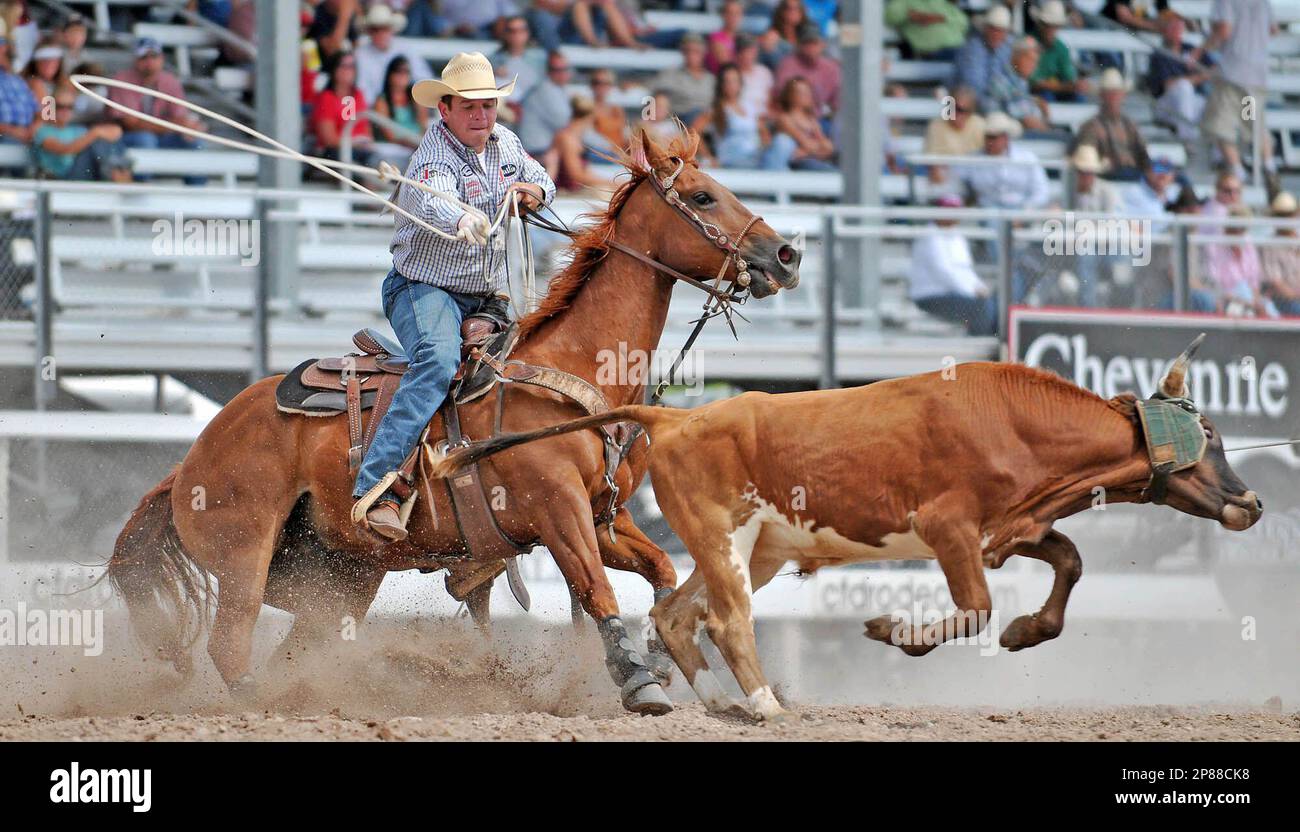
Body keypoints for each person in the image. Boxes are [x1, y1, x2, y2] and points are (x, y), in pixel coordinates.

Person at [354, 52, 556, 541]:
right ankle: (378, 486)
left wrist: (531, 191)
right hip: (423, 288)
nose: (480, 116)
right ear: (443, 109)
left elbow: (546, 181)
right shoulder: (431, 157)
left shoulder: (505, 142)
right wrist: (462, 218)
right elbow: (434, 198)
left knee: (535, 362)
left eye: (487, 105)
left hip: (484, 295)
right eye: (469, 106)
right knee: (438, 361)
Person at [1199, 0, 1277, 190]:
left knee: (1219, 123)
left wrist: (1201, 49)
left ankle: (1237, 170)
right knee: (1251, 122)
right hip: (1256, 76)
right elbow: (1273, 30)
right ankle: (1269, 167)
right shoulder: (1263, 3)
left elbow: (1224, 30)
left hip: (1232, 75)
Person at [109, 37, 206, 184]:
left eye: (154, 56)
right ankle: (142, 191)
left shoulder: (170, 81)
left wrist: (190, 127)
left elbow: (181, 117)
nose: (150, 62)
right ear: (135, 60)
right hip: (122, 139)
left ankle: (198, 195)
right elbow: (132, 124)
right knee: (145, 139)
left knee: (194, 141)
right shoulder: (121, 80)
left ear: (161, 58)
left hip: (160, 138)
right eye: (144, 57)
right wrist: (178, 124)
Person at [910, 193, 996, 335]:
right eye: (948, 210)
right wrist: (973, 291)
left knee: (991, 304)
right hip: (930, 296)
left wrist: (979, 287)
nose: (952, 215)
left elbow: (966, 270)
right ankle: (981, 344)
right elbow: (944, 273)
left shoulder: (956, 236)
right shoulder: (930, 236)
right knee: (981, 307)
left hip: (954, 293)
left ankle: (992, 342)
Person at [33, 85, 131, 181]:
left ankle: (119, 172)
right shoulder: (43, 131)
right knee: (96, 141)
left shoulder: (77, 129)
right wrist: (95, 133)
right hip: (63, 177)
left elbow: (116, 131)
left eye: (69, 107)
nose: (65, 111)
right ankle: (119, 175)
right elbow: (65, 150)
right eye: (60, 107)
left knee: (103, 141)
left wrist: (101, 132)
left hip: (86, 172)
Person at [1146, 10, 1214, 143]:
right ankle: (1187, 140)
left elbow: (1215, 69)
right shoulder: (1159, 54)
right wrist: (1198, 78)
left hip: (1190, 103)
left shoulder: (1189, 49)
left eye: (1179, 27)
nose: (1177, 31)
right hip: (1166, 105)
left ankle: (1220, 158)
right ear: (1165, 31)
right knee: (1183, 88)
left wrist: (1194, 78)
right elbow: (1169, 85)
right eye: (1173, 27)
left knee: (1217, 103)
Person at [960, 111, 1050, 211]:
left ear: (1005, 138)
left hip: (1021, 208)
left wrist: (1025, 211)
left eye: (994, 137)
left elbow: (1041, 191)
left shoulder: (1026, 158)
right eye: (988, 136)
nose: (990, 142)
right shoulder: (973, 160)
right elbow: (959, 185)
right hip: (985, 210)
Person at [1072, 68, 1149, 182]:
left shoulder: (1130, 124)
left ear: (1123, 96)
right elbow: (1086, 159)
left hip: (1134, 173)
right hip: (1108, 176)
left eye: (1117, 93)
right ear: (1102, 96)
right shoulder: (1091, 126)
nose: (1114, 97)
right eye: (1110, 93)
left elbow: (1143, 154)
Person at [354, 3, 432, 104]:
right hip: (374, 111)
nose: (380, 33)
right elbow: (362, 90)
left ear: (391, 29)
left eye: (384, 28)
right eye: (375, 29)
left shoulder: (406, 48)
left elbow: (423, 80)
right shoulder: (360, 55)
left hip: (405, 106)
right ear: (369, 31)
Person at [694, 63, 766, 168]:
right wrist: (708, 157)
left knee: (782, 142)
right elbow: (693, 132)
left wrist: (764, 147)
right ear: (721, 85)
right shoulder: (717, 109)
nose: (731, 85)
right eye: (727, 82)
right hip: (732, 160)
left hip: (755, 157)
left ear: (740, 84)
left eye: (735, 81)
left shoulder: (749, 107)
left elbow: (764, 133)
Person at [310, 50, 375, 167]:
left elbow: (366, 129)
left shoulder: (358, 94)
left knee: (379, 161)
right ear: (334, 69)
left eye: (351, 67)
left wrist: (364, 142)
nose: (348, 71)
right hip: (335, 152)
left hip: (360, 150)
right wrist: (354, 143)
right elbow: (329, 139)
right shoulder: (326, 97)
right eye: (343, 66)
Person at [762, 76, 834, 170]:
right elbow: (806, 143)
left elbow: (829, 147)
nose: (807, 95)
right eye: (801, 92)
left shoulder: (811, 120)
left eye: (808, 92)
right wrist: (818, 148)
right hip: (793, 165)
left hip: (810, 159)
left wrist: (805, 152)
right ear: (790, 95)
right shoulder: (784, 118)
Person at [951, 4, 1012, 114]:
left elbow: (1012, 80)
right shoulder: (973, 48)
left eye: (1000, 31)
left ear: (1005, 33)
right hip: (964, 103)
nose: (996, 34)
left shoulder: (1006, 47)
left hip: (990, 101)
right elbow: (974, 86)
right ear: (985, 28)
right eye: (993, 29)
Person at [773, 22, 840, 120]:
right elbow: (781, 100)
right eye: (807, 43)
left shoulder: (832, 68)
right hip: (793, 119)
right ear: (799, 45)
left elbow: (838, 103)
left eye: (814, 43)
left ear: (823, 44)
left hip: (822, 119)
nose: (811, 48)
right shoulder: (787, 65)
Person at [548, 94, 613, 191]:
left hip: (571, 190)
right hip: (567, 194)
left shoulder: (569, 136)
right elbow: (576, 175)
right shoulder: (568, 139)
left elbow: (582, 172)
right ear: (590, 117)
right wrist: (611, 183)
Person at [923, 85, 984, 185]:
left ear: (970, 111)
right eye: (952, 107)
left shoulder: (980, 125)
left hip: (973, 178)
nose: (956, 113)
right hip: (944, 179)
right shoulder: (937, 125)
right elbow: (932, 163)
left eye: (961, 110)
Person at [988, 36, 1050, 134]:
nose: (1033, 66)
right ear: (1016, 56)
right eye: (1030, 60)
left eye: (1035, 62)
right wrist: (1049, 132)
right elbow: (1027, 120)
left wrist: (1035, 101)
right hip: (998, 132)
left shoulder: (1021, 80)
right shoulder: (1001, 80)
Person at [649, 33, 713, 124]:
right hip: (681, 120)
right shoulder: (671, 74)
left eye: (696, 51)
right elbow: (653, 88)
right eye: (688, 51)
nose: (691, 55)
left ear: (703, 53)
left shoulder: (711, 79)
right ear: (683, 52)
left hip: (708, 123)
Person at [517, 50, 571, 157]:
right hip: (537, 152)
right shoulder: (545, 90)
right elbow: (564, 123)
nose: (562, 73)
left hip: (545, 150)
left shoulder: (557, 89)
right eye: (556, 70)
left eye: (565, 69)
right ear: (547, 71)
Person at [1029, 1, 1085, 102]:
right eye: (1048, 25)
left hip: (1052, 91)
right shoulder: (1029, 43)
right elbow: (1033, 82)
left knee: (1079, 97)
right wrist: (1066, 86)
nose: (1051, 29)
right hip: (1034, 93)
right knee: (1046, 96)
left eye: (1054, 26)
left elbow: (1068, 77)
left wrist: (1072, 85)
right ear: (1040, 24)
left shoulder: (1061, 48)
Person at [884, 0, 968, 61]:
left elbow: (963, 22)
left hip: (958, 49)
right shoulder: (904, 2)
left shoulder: (941, 2)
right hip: (932, 53)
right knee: (970, 57)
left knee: (972, 53)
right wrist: (919, 17)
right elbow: (890, 17)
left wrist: (936, 18)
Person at [373, 56, 428, 148]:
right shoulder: (382, 101)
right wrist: (411, 143)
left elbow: (423, 125)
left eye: (406, 71)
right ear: (390, 75)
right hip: (394, 148)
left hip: (418, 145)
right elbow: (389, 135)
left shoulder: (416, 98)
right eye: (399, 71)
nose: (403, 75)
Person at [1260, 192, 1300, 316]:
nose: (1286, 219)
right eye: (1282, 215)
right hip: (1284, 301)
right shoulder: (1270, 246)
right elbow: (1276, 282)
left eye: (1289, 214)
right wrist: (1296, 295)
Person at [491, 15, 543, 104]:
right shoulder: (494, 59)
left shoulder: (540, 58)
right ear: (506, 34)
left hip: (534, 105)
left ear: (527, 33)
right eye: (512, 31)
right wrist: (494, 74)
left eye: (521, 30)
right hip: (506, 106)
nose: (517, 35)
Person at [758, 0, 807, 70]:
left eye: (798, 8)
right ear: (782, 11)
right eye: (790, 9)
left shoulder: (805, 34)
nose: (795, 12)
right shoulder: (772, 36)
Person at [734, 33, 772, 120]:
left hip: (764, 118)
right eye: (745, 50)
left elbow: (769, 101)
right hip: (742, 117)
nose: (749, 54)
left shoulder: (765, 72)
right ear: (738, 53)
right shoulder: (732, 74)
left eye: (752, 50)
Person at [589, 68, 627, 154]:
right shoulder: (587, 109)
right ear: (591, 85)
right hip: (600, 155)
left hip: (619, 155)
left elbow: (623, 135)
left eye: (606, 83)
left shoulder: (616, 109)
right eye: (597, 82)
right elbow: (589, 138)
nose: (601, 86)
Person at [706, 0, 746, 72]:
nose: (733, 17)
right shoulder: (715, 37)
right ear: (723, 15)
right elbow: (727, 65)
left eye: (737, 13)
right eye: (729, 13)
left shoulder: (743, 36)